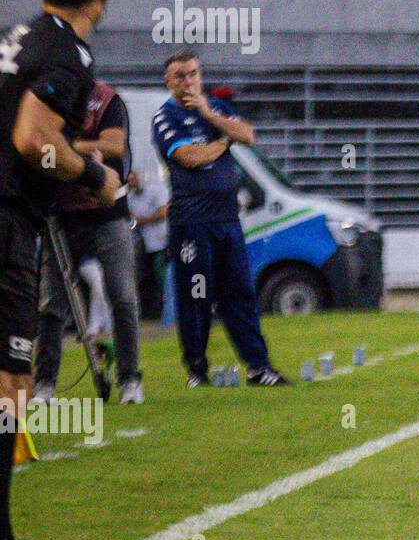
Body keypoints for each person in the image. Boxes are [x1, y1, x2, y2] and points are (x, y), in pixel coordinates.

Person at [1, 0, 123, 540]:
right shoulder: (65, 50)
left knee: (14, 386)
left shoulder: (21, 34)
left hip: (13, 218)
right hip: (7, 222)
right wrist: (91, 174)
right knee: (7, 388)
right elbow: (30, 140)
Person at [151, 52, 288, 387]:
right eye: (180, 76)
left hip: (227, 217)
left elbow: (248, 135)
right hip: (192, 221)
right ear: (169, 82)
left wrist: (209, 114)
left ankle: (259, 366)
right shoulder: (165, 118)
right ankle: (197, 369)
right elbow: (191, 157)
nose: (188, 81)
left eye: (193, 74)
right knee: (196, 294)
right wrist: (223, 141)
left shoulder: (214, 108)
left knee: (240, 292)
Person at [33, 78, 143, 404]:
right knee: (52, 302)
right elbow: (38, 148)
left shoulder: (106, 99)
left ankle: (130, 379)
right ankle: (45, 384)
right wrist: (83, 149)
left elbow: (113, 145)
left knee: (122, 296)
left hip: (108, 212)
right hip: (61, 213)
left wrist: (68, 148)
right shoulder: (48, 99)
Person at [126, 170, 171, 323]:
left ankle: (171, 311)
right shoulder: (130, 198)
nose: (132, 183)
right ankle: (157, 312)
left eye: (134, 179)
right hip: (146, 244)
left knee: (163, 276)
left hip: (162, 241)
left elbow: (163, 212)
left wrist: (141, 221)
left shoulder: (155, 190)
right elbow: (131, 220)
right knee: (150, 279)